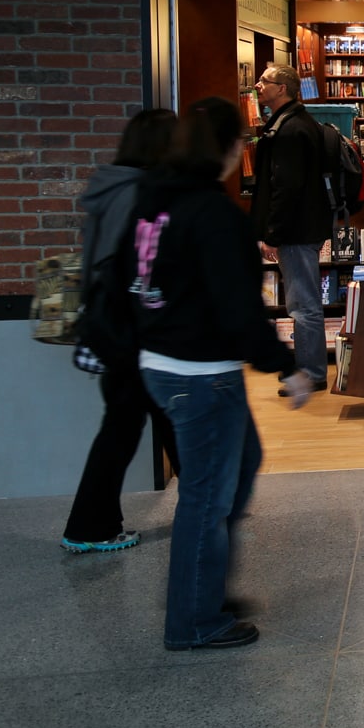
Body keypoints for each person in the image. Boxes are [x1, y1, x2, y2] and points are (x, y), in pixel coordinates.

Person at [127, 97, 314, 650]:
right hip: (201, 372)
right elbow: (238, 308)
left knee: (241, 464)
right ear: (231, 149)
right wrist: (288, 367)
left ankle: (203, 588)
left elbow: (132, 278)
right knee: (208, 497)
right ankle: (195, 619)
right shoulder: (214, 215)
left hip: (164, 361)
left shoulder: (154, 202)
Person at [60, 108, 182, 554]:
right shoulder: (139, 195)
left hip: (116, 329)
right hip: (135, 331)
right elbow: (135, 269)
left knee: (152, 420)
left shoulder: (110, 189)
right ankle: (89, 526)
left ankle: (209, 503)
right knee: (129, 426)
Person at [250, 65, 333, 394]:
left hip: (296, 231)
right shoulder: (294, 123)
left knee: (303, 305)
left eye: (265, 81)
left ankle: (312, 373)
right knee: (303, 302)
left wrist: (273, 233)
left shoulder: (290, 129)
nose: (258, 85)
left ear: (282, 88)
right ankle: (310, 369)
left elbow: (286, 187)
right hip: (303, 227)